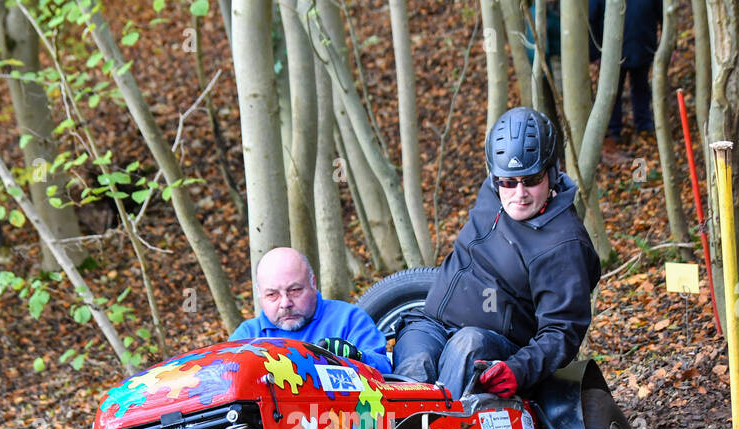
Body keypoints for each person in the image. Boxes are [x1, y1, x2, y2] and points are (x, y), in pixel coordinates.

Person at [393, 107, 600, 400]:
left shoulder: (565, 244)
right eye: (508, 181)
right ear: (494, 177)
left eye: (531, 180)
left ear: (552, 173)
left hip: (495, 347)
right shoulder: (492, 192)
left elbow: (561, 332)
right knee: (415, 367)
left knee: (467, 345)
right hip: (433, 324)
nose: (519, 193)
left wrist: (519, 369)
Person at [230, 247, 392, 375]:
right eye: (272, 295)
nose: (285, 303)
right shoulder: (246, 337)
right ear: (260, 295)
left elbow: (386, 369)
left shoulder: (348, 319)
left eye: (294, 290)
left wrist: (358, 357)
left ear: (313, 283)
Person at [591, 0, 662, 140]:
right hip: (613, 52)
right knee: (613, 92)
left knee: (640, 87)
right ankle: (614, 129)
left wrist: (667, 46)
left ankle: (643, 125)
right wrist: (596, 53)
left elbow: (662, 14)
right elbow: (592, 19)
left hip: (642, 45)